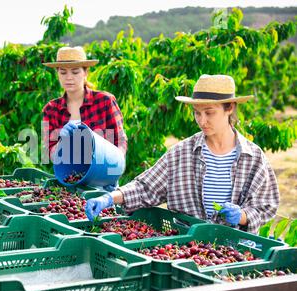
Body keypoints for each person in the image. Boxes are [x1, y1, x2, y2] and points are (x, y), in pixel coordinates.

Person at [85, 74, 279, 234]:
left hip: (236, 251)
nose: (202, 120)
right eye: (197, 112)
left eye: (209, 113)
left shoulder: (253, 157)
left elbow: (265, 206)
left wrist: (243, 215)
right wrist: (110, 197)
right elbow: (146, 187)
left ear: (229, 108)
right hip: (187, 249)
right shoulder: (181, 153)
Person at [42, 46, 127, 190]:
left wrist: (114, 170)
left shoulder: (105, 101)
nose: (69, 77)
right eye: (63, 72)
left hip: (103, 180)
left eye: (75, 72)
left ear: (85, 72)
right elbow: (50, 153)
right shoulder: (51, 110)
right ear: (57, 74)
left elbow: (120, 141)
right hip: (70, 184)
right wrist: (62, 142)